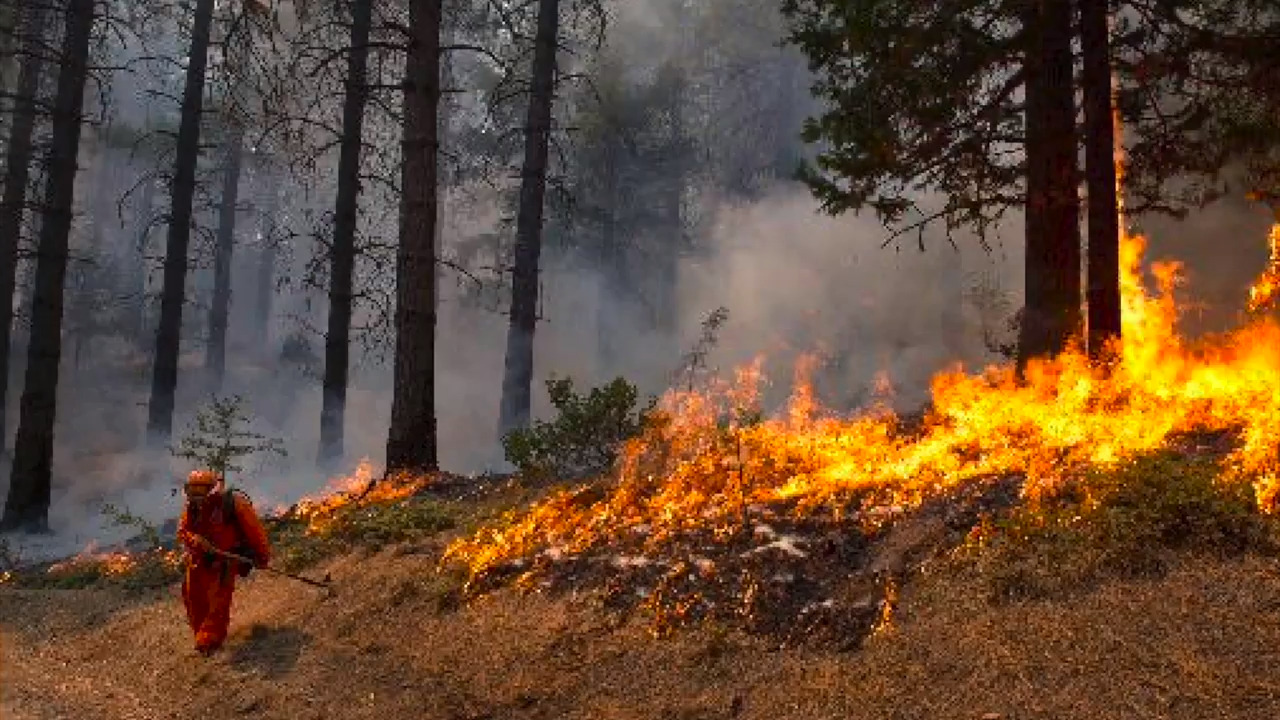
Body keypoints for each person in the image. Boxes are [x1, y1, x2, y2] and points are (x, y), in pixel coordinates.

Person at [176, 469, 272, 655]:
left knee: (217, 602)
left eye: (200, 492)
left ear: (211, 490)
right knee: (193, 598)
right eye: (192, 491)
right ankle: (201, 636)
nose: (196, 497)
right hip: (198, 561)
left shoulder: (234, 504)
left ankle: (210, 642)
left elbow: (255, 532)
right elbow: (183, 531)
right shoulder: (191, 507)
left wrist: (262, 557)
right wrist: (195, 539)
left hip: (224, 561)